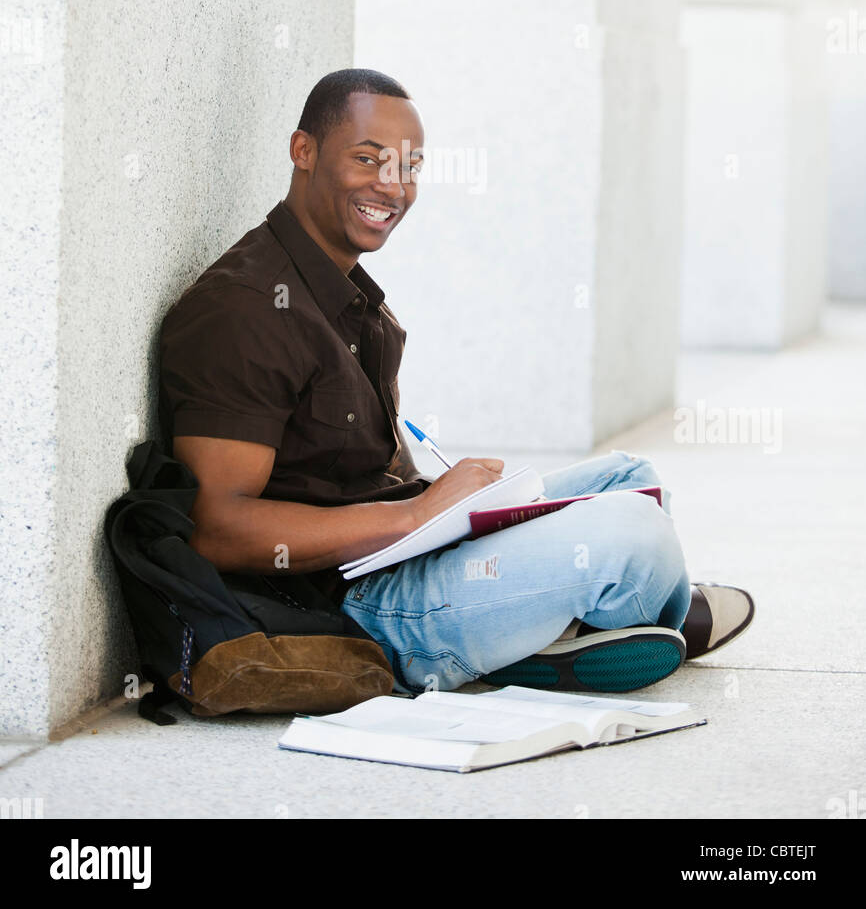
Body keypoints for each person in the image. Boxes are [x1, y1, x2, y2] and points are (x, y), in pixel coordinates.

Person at [159, 68, 754, 696]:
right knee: (633, 536)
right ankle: (576, 627)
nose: (394, 186)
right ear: (303, 151)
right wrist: (416, 513)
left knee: (632, 481)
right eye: (368, 160)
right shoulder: (246, 308)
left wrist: (451, 510)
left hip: (402, 551)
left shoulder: (346, 294)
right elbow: (216, 526)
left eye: (410, 166)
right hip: (361, 606)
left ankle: (556, 632)